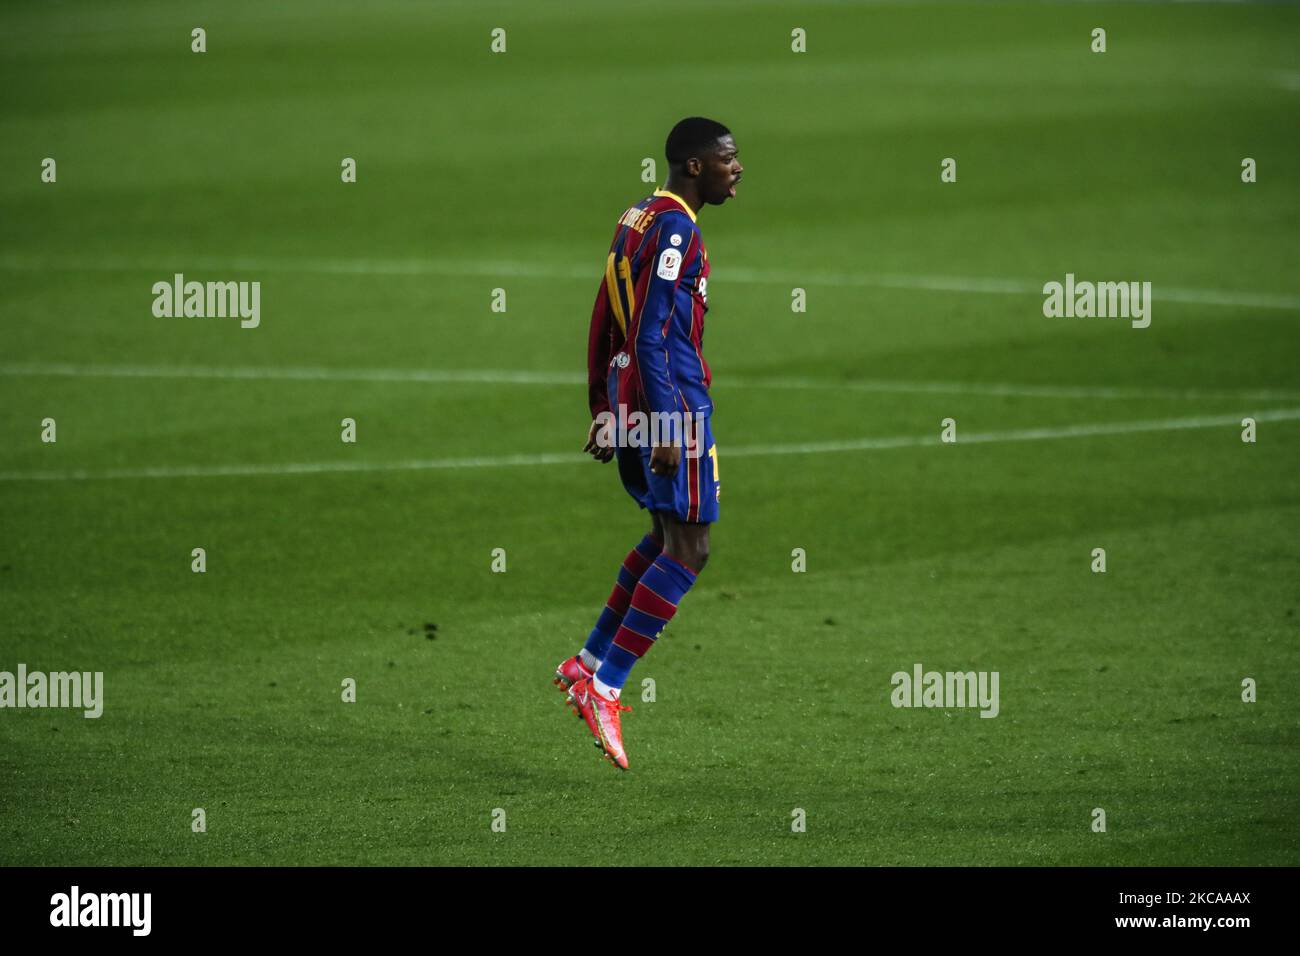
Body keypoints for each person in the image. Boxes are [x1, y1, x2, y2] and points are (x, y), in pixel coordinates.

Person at [553, 117, 743, 770]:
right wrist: (666, 421)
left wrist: (604, 405)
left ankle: (586, 662)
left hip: (630, 393)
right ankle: (606, 687)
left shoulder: (636, 214)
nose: (736, 168)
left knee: (668, 538)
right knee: (691, 547)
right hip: (672, 403)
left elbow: (605, 312)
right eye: (726, 158)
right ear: (694, 166)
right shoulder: (677, 229)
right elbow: (656, 331)